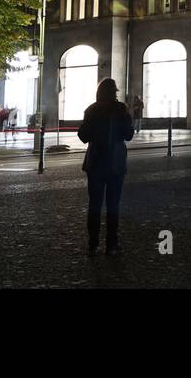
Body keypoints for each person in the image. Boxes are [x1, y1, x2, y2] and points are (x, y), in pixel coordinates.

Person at [77, 79, 135, 256]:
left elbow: (83, 136)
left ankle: (93, 244)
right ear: (114, 92)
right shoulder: (121, 109)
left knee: (94, 203)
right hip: (115, 162)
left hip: (95, 161)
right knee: (113, 204)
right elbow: (129, 135)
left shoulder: (92, 109)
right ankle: (111, 244)